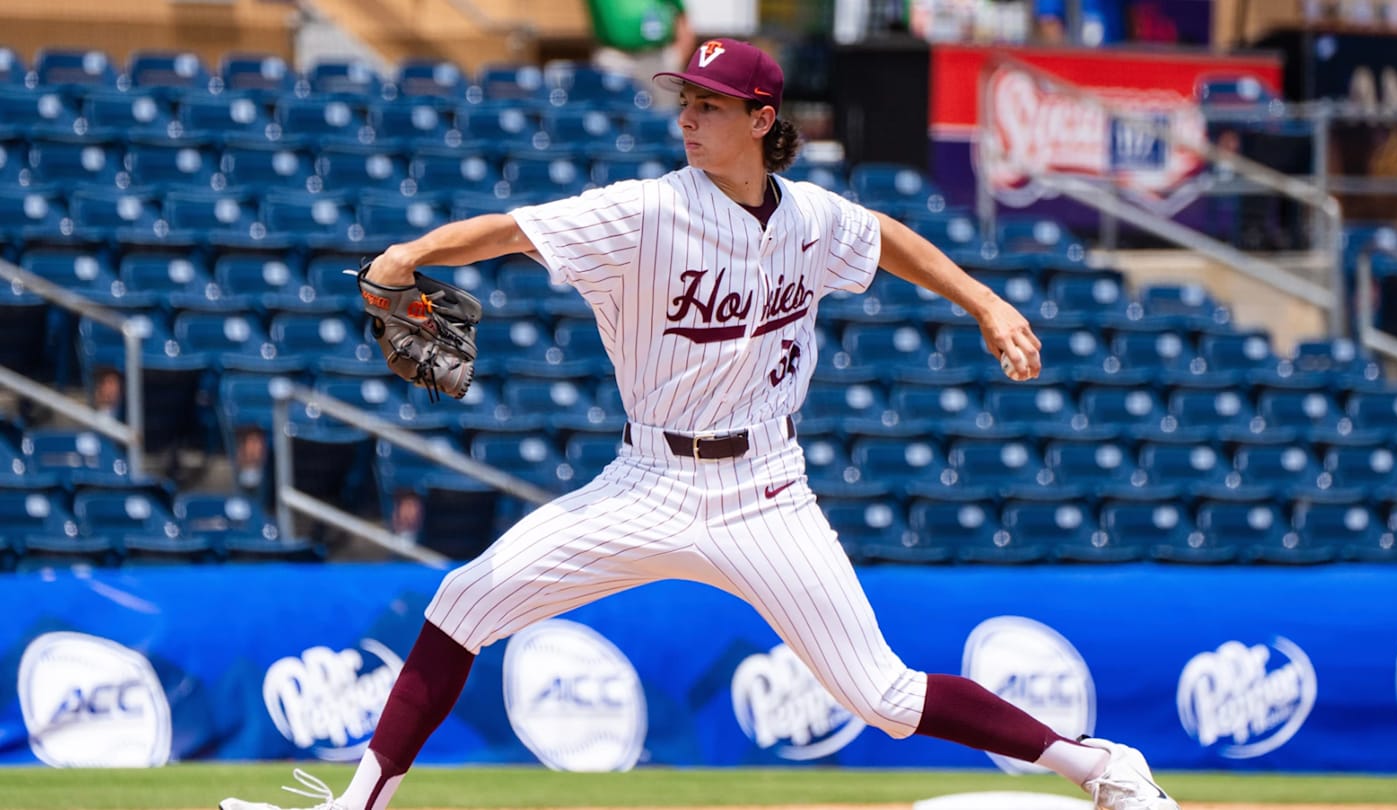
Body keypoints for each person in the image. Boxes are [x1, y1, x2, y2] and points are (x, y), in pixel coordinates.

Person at [220, 38, 1179, 810]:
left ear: (763, 121)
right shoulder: (641, 212)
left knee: (883, 697)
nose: (687, 116)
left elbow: (885, 239)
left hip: (768, 490)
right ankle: (355, 808)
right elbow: (512, 229)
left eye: (709, 105)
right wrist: (406, 254)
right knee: (463, 603)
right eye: (684, 99)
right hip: (648, 484)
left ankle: (1104, 770)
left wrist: (984, 302)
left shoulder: (810, 217)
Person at [585, 0, 694, 108]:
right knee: (613, 113)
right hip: (615, 57)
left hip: (658, 56)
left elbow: (681, 15)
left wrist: (677, 56)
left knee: (663, 112)